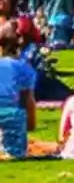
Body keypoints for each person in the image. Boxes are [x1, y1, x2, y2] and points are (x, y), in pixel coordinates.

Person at [0, 26, 38, 160]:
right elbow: (28, 101)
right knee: (14, 154)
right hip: (12, 118)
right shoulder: (25, 68)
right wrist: (29, 126)